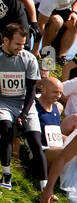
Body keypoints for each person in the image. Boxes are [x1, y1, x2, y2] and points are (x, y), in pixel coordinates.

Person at [0, 22, 43, 191]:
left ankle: (44, 185)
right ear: (5, 40)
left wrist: (23, 114)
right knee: (5, 128)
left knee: (35, 141)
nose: (21, 47)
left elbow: (32, 90)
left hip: (24, 103)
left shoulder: (28, 58)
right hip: (3, 102)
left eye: (23, 44)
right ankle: (6, 172)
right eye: (17, 44)